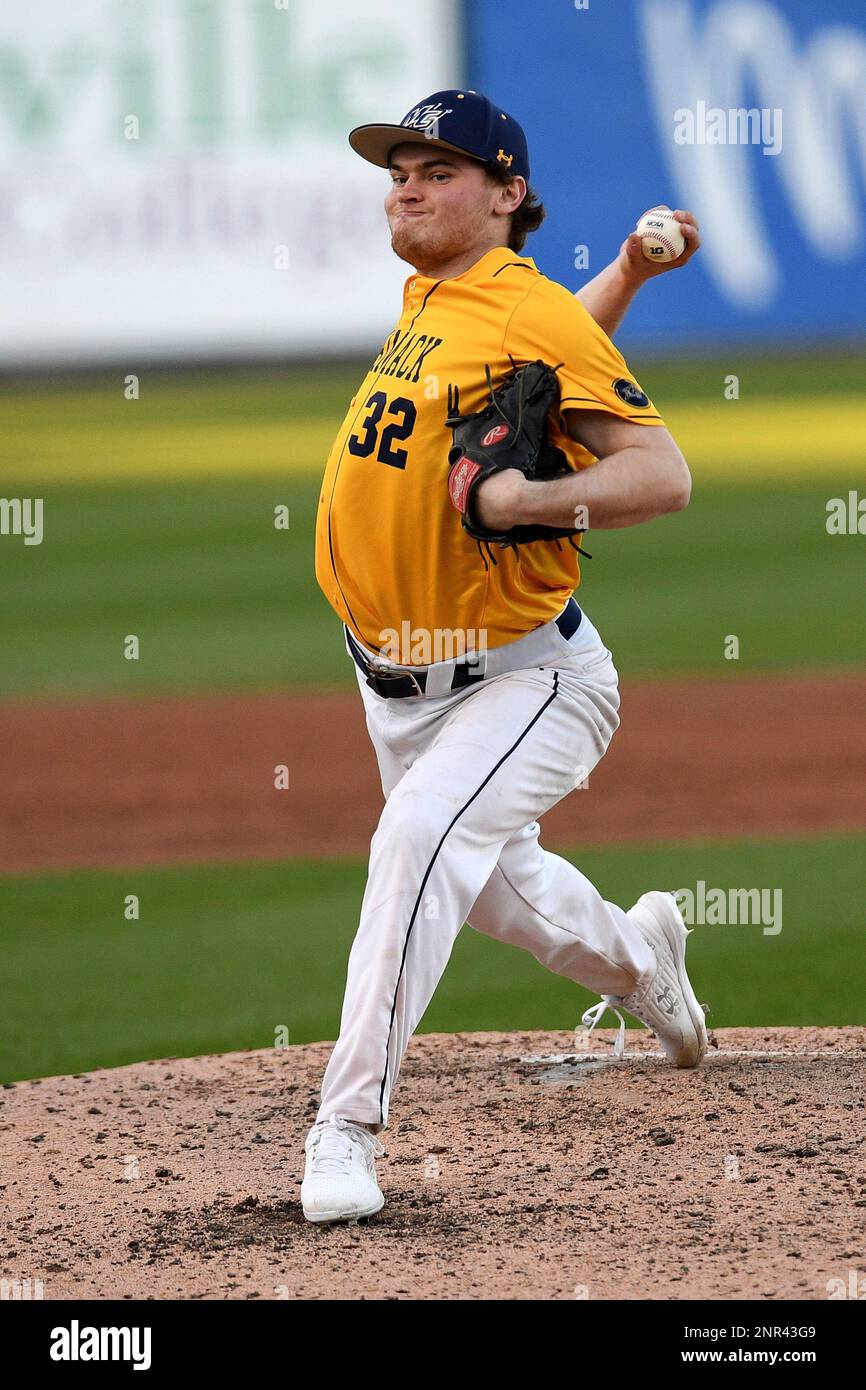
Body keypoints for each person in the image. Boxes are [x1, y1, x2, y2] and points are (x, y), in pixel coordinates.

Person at [304, 89, 706, 1225]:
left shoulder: (514, 304)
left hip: (527, 677)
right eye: (396, 167)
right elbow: (544, 348)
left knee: (418, 840)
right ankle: (644, 966)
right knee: (498, 891)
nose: (406, 183)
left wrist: (540, 495)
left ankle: (345, 1125)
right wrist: (624, 276)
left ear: (506, 193)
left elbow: (662, 472)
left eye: (436, 167)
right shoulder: (445, 296)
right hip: (395, 684)